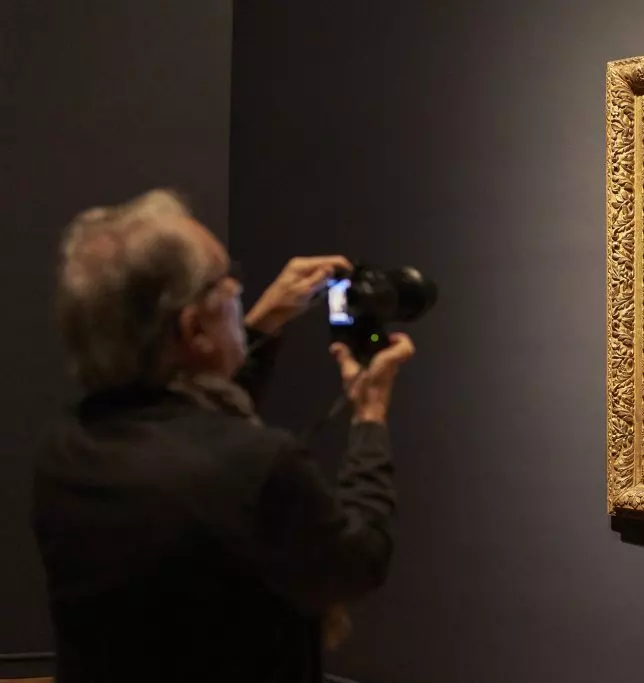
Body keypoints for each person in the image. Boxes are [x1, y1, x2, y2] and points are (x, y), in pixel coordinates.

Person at [31, 189, 415, 682]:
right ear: (194, 331)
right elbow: (359, 560)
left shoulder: (65, 451)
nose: (239, 289)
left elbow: (184, 425)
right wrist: (370, 416)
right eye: (226, 283)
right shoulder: (254, 467)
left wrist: (257, 328)